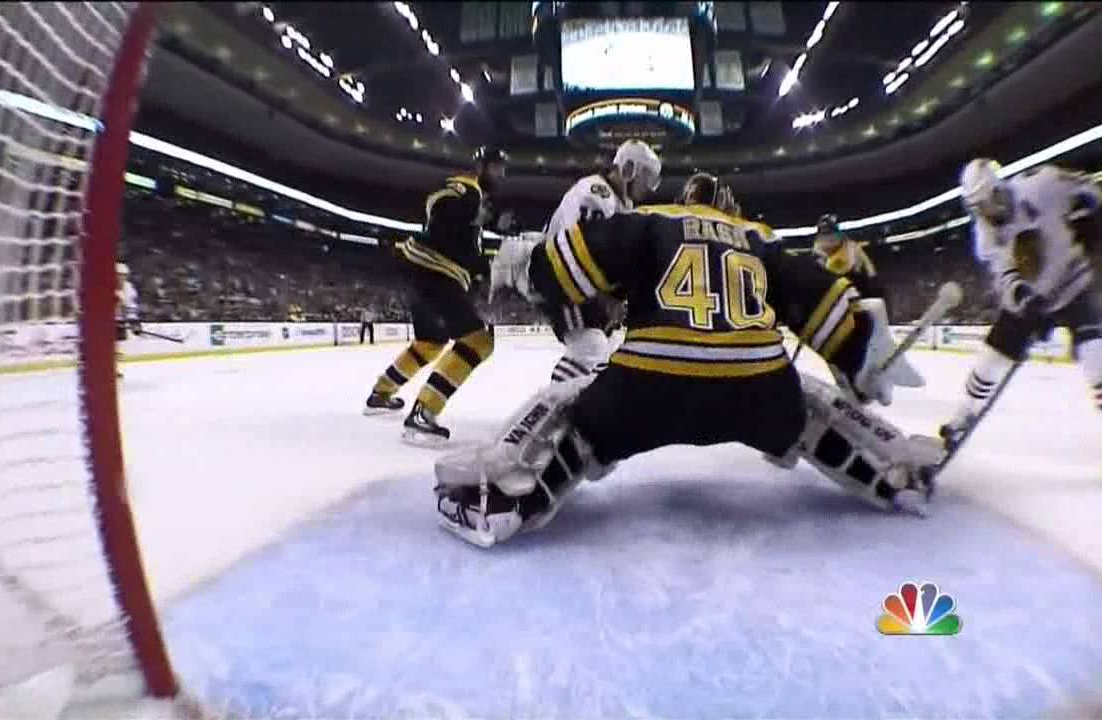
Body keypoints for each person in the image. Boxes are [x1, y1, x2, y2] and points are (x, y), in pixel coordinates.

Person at [435, 173, 937, 547]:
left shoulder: (652, 221)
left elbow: (570, 267)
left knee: (573, 412)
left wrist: (527, 263)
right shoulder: (757, 236)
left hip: (648, 385)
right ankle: (890, 476)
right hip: (756, 386)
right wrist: (859, 353)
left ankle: (510, 502)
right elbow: (819, 298)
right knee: (805, 407)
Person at [938, 159, 1102, 480]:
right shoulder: (985, 236)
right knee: (989, 361)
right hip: (1032, 296)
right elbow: (1006, 278)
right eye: (976, 207)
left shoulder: (1044, 183)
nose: (984, 212)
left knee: (1097, 358)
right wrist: (1028, 304)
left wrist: (1086, 208)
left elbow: (1090, 186)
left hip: (1072, 286)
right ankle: (963, 415)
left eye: (986, 202)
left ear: (999, 190)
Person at [364, 146, 509, 444]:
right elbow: (439, 204)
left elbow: (463, 244)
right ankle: (423, 413)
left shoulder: (477, 200)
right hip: (433, 269)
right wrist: (471, 215)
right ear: (481, 165)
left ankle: (381, 393)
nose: (502, 173)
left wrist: (483, 258)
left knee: (430, 342)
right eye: (497, 167)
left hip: (423, 268)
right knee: (478, 342)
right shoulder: (469, 191)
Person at [491, 139, 661, 384]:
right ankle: (546, 409)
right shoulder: (596, 193)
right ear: (628, 169)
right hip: (557, 276)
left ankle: (571, 406)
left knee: (606, 352)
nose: (649, 187)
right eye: (646, 176)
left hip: (568, 278)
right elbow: (577, 254)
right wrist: (609, 297)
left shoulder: (618, 203)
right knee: (590, 350)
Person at [813, 214, 886, 304]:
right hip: (836, 286)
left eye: (830, 231)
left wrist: (872, 278)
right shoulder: (818, 249)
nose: (829, 236)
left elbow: (868, 266)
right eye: (825, 232)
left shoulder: (851, 246)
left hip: (855, 282)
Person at [115, 262, 140, 380]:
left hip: (120, 321)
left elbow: (131, 307)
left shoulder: (129, 288)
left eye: (124, 275)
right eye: (119, 275)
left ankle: (114, 369)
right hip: (105, 322)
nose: (121, 278)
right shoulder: (105, 285)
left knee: (117, 348)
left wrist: (134, 322)